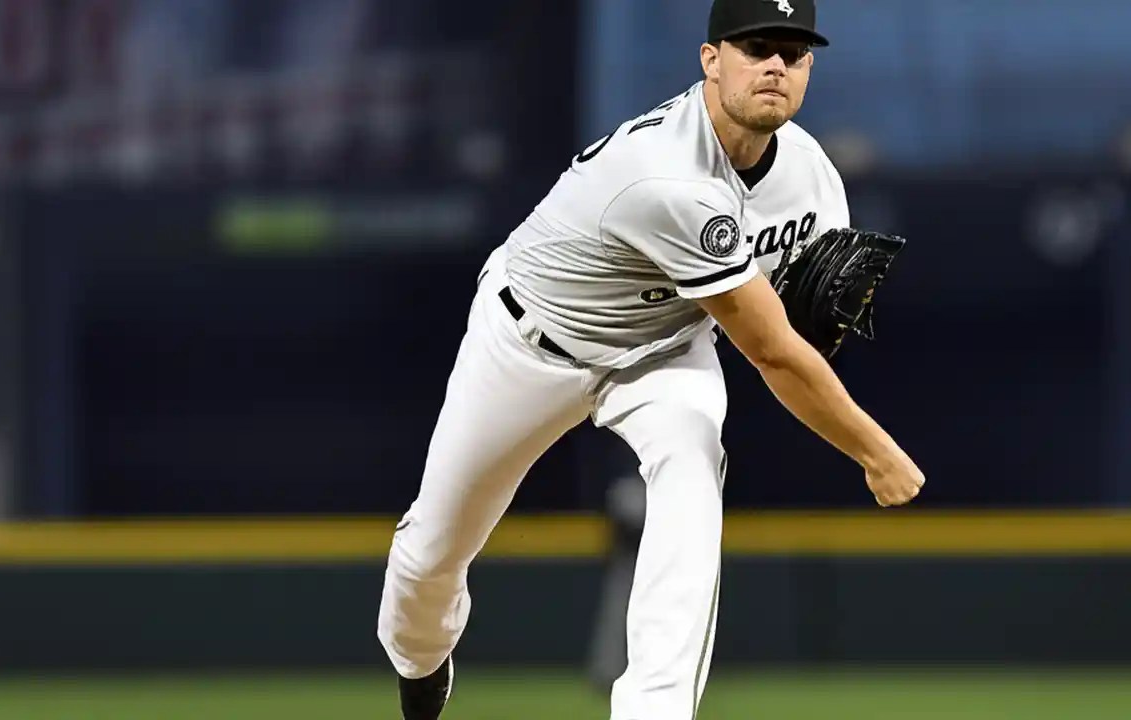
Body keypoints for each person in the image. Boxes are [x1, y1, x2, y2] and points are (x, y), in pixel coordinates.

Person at [377, 0, 925, 717]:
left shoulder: (813, 177)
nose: (774, 67)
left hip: (663, 348)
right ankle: (419, 660)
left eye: (792, 54)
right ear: (710, 59)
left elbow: (796, 321)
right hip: (530, 341)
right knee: (432, 554)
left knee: (692, 465)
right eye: (756, 46)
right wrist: (875, 452)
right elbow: (772, 351)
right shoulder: (664, 173)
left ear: (809, 70)